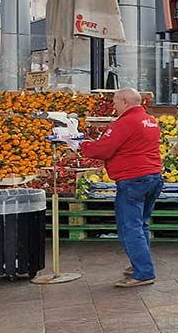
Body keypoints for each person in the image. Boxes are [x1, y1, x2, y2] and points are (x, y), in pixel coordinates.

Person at [71, 88, 163, 287]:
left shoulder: (125, 122)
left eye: (115, 102)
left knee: (129, 227)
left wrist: (81, 146)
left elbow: (104, 148)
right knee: (141, 224)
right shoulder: (150, 120)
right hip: (153, 176)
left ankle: (143, 272)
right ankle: (139, 263)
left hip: (133, 180)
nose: (113, 106)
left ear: (125, 102)